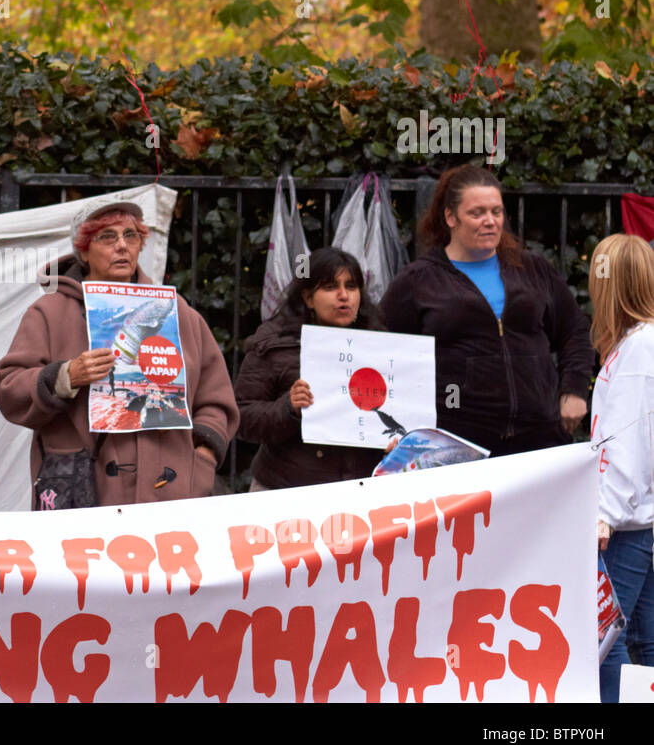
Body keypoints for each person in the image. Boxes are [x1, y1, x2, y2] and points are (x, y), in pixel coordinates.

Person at [0, 199, 239, 506]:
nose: (122, 246)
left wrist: (202, 456)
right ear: (83, 251)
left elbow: (216, 399)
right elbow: (9, 389)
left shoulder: (178, 313)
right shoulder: (48, 312)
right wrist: (65, 377)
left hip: (172, 494)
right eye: (107, 237)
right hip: (82, 493)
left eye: (131, 236)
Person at [381, 165, 593, 456]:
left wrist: (574, 390)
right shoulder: (418, 281)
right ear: (450, 217)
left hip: (541, 439)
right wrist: (398, 429)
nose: (490, 221)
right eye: (477, 213)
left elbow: (574, 330)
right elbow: (384, 353)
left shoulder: (532, 269)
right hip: (458, 445)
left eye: (496, 211)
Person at [234, 246, 386, 490]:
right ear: (308, 298)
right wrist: (289, 408)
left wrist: (391, 444)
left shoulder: (383, 349)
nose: (343, 295)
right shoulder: (276, 345)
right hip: (285, 491)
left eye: (351, 286)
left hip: (359, 494)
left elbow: (395, 417)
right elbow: (241, 418)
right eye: (330, 287)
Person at [588, 234, 654, 702]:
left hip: (624, 525)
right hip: (639, 520)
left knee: (603, 644)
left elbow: (625, 444)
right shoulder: (639, 345)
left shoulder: (637, 352)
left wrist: (603, 513)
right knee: (643, 644)